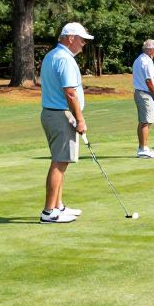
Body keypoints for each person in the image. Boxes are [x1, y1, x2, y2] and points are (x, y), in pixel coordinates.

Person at [38, 22, 94, 223]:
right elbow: (70, 92)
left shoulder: (52, 55)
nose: (83, 44)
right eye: (81, 40)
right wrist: (80, 119)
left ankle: (58, 206)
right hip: (61, 115)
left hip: (51, 113)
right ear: (70, 38)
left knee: (61, 161)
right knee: (59, 162)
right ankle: (48, 212)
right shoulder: (65, 59)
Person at [133, 39, 154, 159]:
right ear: (150, 49)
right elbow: (148, 80)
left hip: (144, 93)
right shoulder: (145, 61)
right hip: (145, 93)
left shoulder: (142, 60)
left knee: (145, 121)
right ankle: (143, 149)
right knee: (145, 121)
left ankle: (144, 147)